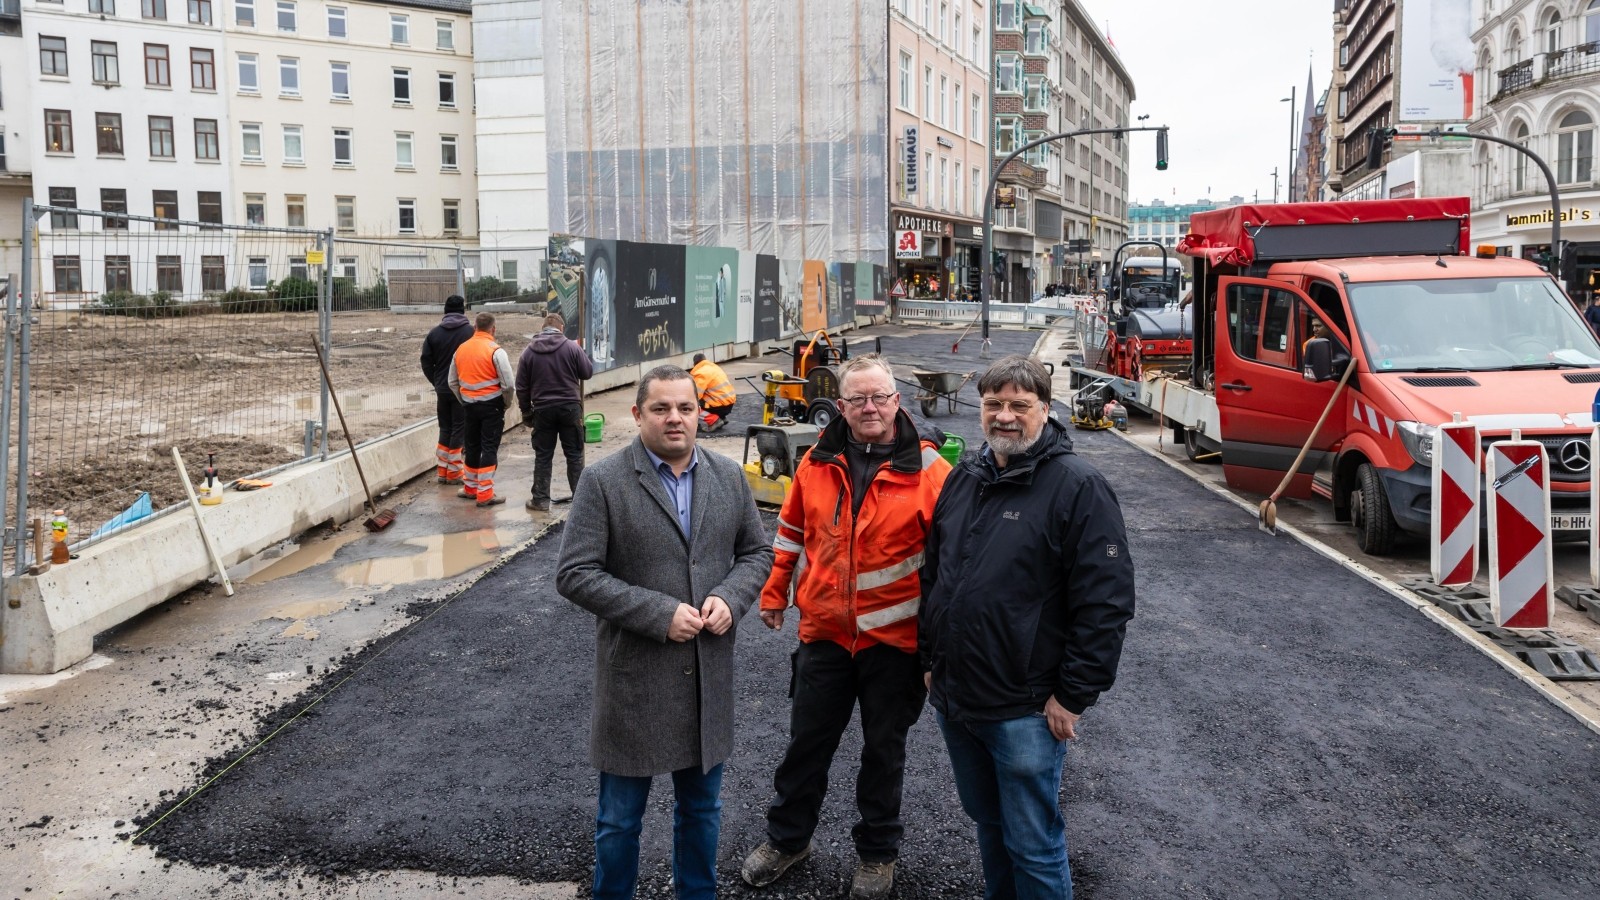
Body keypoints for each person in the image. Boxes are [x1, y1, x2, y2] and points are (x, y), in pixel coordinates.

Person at [919, 355, 1135, 900]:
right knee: (991, 828)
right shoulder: (966, 477)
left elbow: (1106, 602)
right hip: (958, 697)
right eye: (994, 404)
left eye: (1020, 405)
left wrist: (1074, 695)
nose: (1005, 416)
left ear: (1046, 409)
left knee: (1033, 844)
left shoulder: (1078, 487)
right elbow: (936, 573)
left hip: (1026, 708)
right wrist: (930, 659)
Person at [556, 365, 773, 900]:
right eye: (661, 408)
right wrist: (658, 614)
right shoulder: (603, 482)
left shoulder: (727, 477)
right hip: (636, 684)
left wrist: (731, 597)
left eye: (685, 408)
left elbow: (757, 552)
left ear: (701, 414)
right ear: (637, 415)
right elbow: (575, 573)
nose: (675, 419)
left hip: (706, 680)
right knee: (619, 823)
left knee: (701, 812)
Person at [741, 355, 950, 899]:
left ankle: (877, 854)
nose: (870, 408)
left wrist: (940, 645)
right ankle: (788, 841)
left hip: (895, 645)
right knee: (806, 744)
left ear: (897, 401)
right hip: (825, 636)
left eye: (880, 397)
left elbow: (952, 566)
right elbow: (789, 533)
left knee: (884, 752)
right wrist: (774, 594)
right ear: (841, 406)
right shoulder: (815, 462)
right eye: (857, 399)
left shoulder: (930, 472)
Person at [515, 312, 595, 511]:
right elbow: (587, 372)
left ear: (542, 328)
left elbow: (521, 387)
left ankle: (540, 501)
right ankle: (581, 502)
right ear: (561, 329)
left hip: (542, 410)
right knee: (574, 455)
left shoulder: (528, 352)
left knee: (543, 456)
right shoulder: (571, 347)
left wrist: (526, 412)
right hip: (570, 408)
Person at [446, 312, 516, 507]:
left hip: (469, 405)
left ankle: (470, 488)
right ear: (493, 329)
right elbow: (509, 385)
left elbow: (452, 381)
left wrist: (464, 400)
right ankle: (485, 494)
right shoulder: (496, 351)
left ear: (475, 327)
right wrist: (506, 403)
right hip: (491, 406)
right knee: (489, 447)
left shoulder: (460, 349)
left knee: (472, 445)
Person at [419, 294, 473, 485]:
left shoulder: (434, 333)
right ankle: (454, 473)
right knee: (460, 427)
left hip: (442, 389)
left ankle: (443, 471)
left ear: (445, 310)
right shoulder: (470, 332)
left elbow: (425, 361)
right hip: (462, 389)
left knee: (445, 427)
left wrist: (436, 381)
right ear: (463, 310)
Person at [689, 353, 737, 433]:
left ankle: (714, 420)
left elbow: (695, 395)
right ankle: (721, 418)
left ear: (695, 364)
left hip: (719, 405)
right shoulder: (715, 367)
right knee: (706, 396)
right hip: (729, 404)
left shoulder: (701, 373)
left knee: (690, 405)